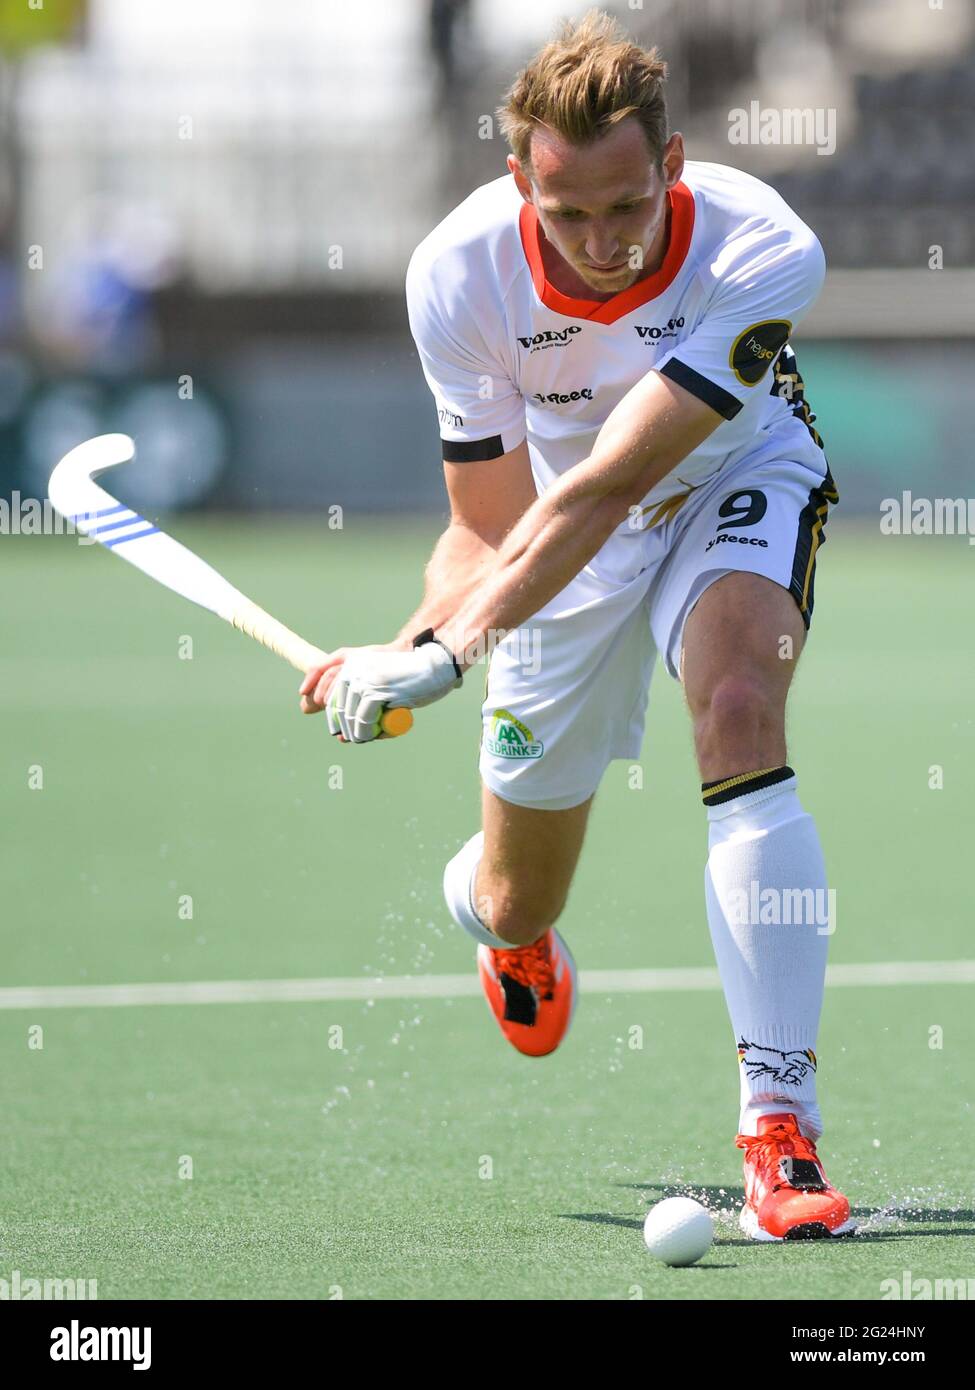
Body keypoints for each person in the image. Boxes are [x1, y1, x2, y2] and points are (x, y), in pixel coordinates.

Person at [300, 9, 849, 1242]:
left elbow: (609, 481)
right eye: (567, 215)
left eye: (627, 207)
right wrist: (411, 640)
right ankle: (510, 934)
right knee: (512, 899)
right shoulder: (457, 273)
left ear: (675, 167)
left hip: (729, 476)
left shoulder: (765, 248)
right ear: (518, 184)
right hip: (554, 553)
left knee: (741, 707)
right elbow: (487, 530)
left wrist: (449, 656)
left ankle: (779, 1126)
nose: (602, 244)